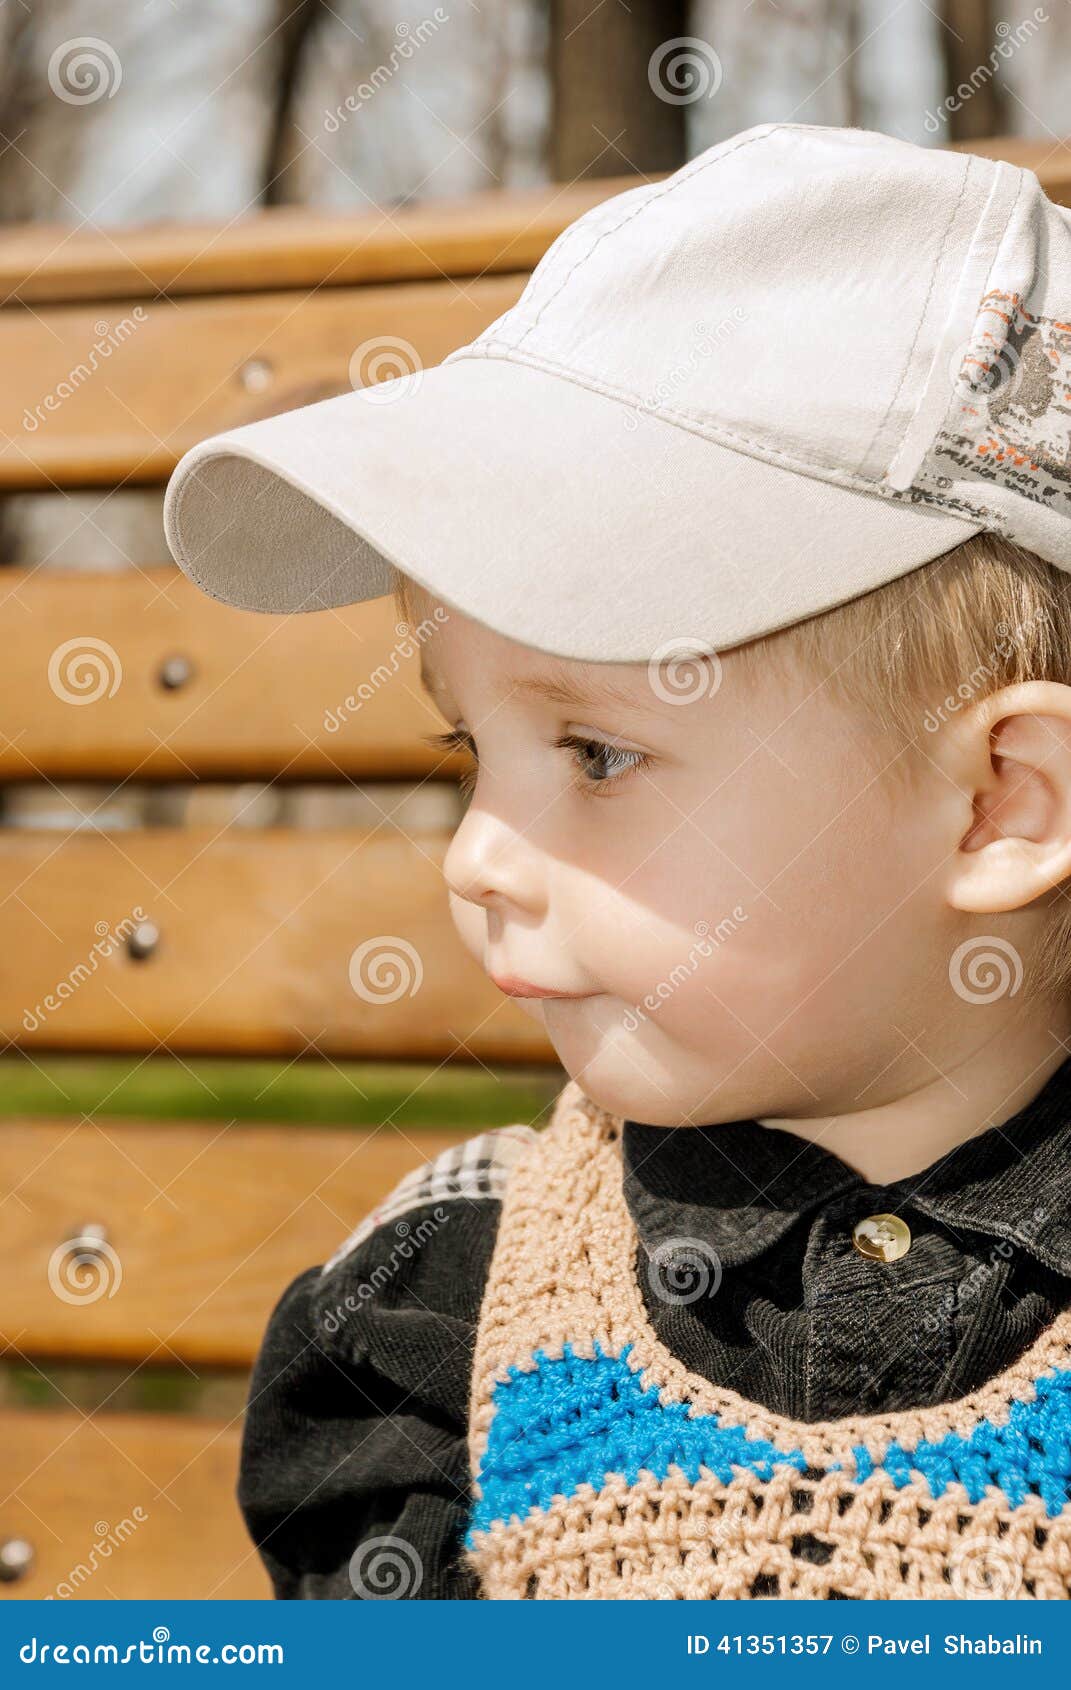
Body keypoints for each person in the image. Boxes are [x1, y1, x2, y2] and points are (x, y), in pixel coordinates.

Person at [163, 123, 1071, 1600]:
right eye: (471, 750)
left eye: (594, 753)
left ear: (999, 804)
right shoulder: (443, 1304)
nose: (478, 859)